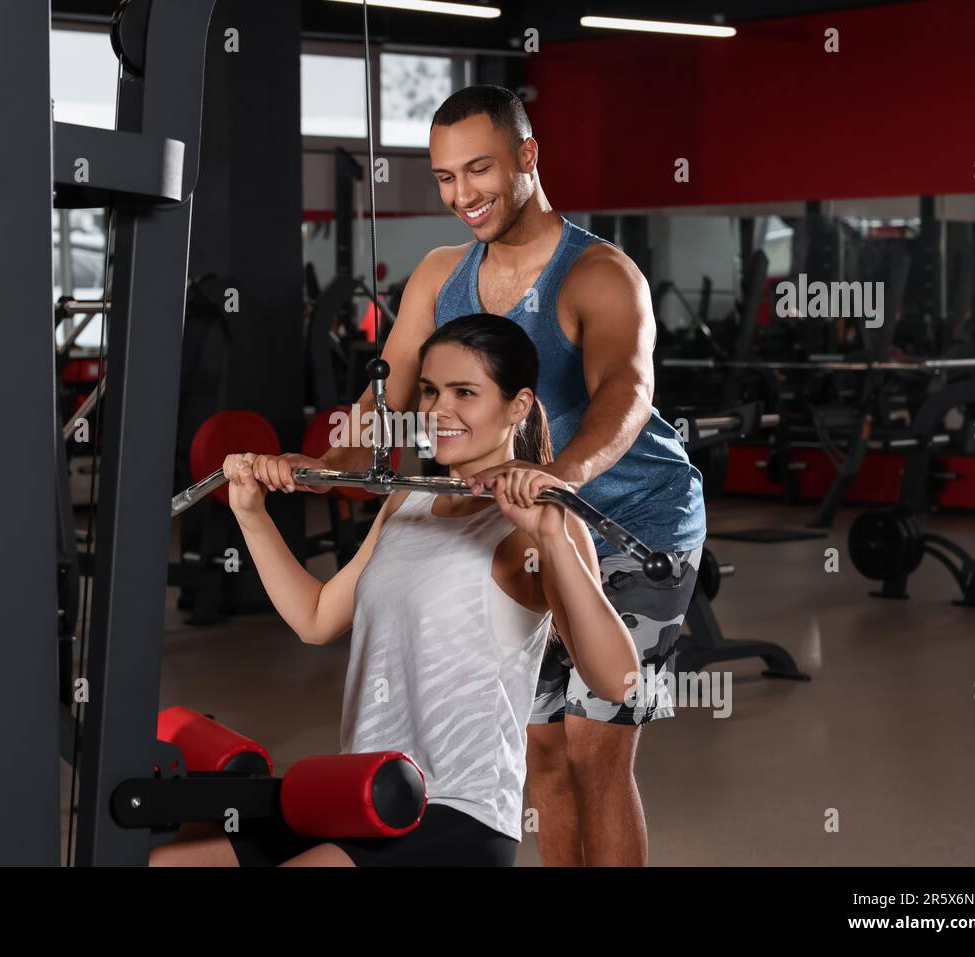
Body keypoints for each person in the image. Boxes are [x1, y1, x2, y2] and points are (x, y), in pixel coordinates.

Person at [275, 85, 706, 866]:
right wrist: (324, 466)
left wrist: (555, 477)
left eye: (479, 169)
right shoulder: (442, 276)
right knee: (539, 752)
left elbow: (627, 391)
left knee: (594, 747)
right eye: (444, 178)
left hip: (633, 520)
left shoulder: (600, 273)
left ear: (527, 158)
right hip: (519, 530)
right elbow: (386, 396)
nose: (462, 195)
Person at [149, 314, 639, 867]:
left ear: (518, 405)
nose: (438, 410)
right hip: (363, 792)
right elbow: (315, 619)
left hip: (456, 813)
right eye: (429, 391)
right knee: (169, 863)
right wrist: (251, 513)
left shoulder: (535, 526)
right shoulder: (407, 503)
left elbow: (618, 682)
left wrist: (551, 536)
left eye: (465, 392)